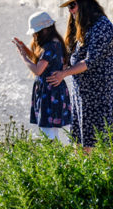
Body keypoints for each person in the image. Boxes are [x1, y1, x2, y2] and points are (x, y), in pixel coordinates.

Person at [46, 0, 113, 149]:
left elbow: (89, 61)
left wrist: (63, 74)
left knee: (98, 140)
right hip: (81, 92)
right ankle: (82, 165)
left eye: (72, 6)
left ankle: (99, 166)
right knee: (80, 138)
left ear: (84, 4)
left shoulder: (102, 26)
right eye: (69, 7)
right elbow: (72, 55)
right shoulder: (84, 25)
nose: (70, 11)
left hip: (98, 91)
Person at [13, 11, 72, 139]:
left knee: (48, 133)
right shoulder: (57, 43)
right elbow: (44, 63)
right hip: (55, 91)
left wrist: (23, 57)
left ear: (43, 30)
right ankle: (57, 151)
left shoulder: (49, 46)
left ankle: (52, 152)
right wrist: (25, 50)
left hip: (49, 93)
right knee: (53, 131)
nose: (34, 35)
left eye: (35, 32)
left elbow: (38, 70)